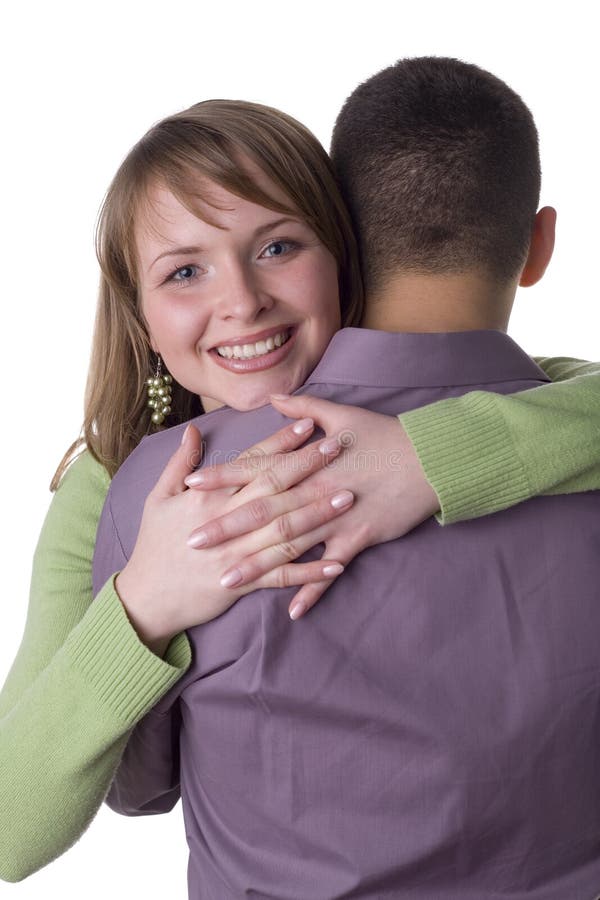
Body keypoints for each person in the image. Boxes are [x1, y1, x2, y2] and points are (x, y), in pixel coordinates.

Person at [0, 85, 598, 884]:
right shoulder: (117, 488)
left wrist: (435, 456)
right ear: (141, 316)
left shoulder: (536, 405)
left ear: (346, 251)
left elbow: (151, 785)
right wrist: (144, 605)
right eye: (184, 272)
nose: (241, 302)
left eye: (278, 248)